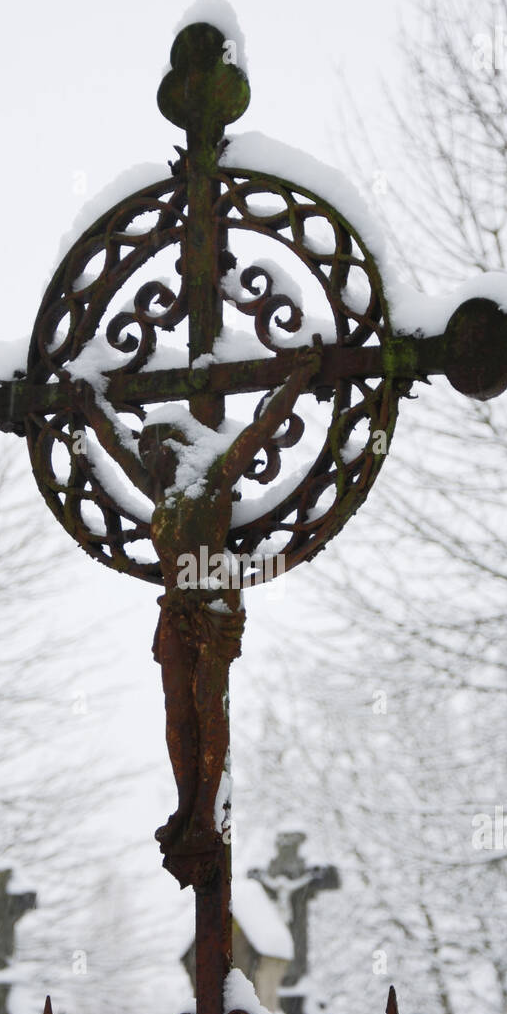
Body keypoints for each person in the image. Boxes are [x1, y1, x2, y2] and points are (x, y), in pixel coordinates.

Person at [78, 342, 322, 888]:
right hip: (176, 610)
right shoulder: (160, 493)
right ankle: (186, 804)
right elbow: (116, 446)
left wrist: (299, 378)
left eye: (159, 445)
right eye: (150, 449)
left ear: (178, 445)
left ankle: (206, 810)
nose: (152, 456)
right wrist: (90, 403)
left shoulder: (211, 479)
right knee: (176, 713)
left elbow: (261, 431)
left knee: (207, 704)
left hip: (213, 604)